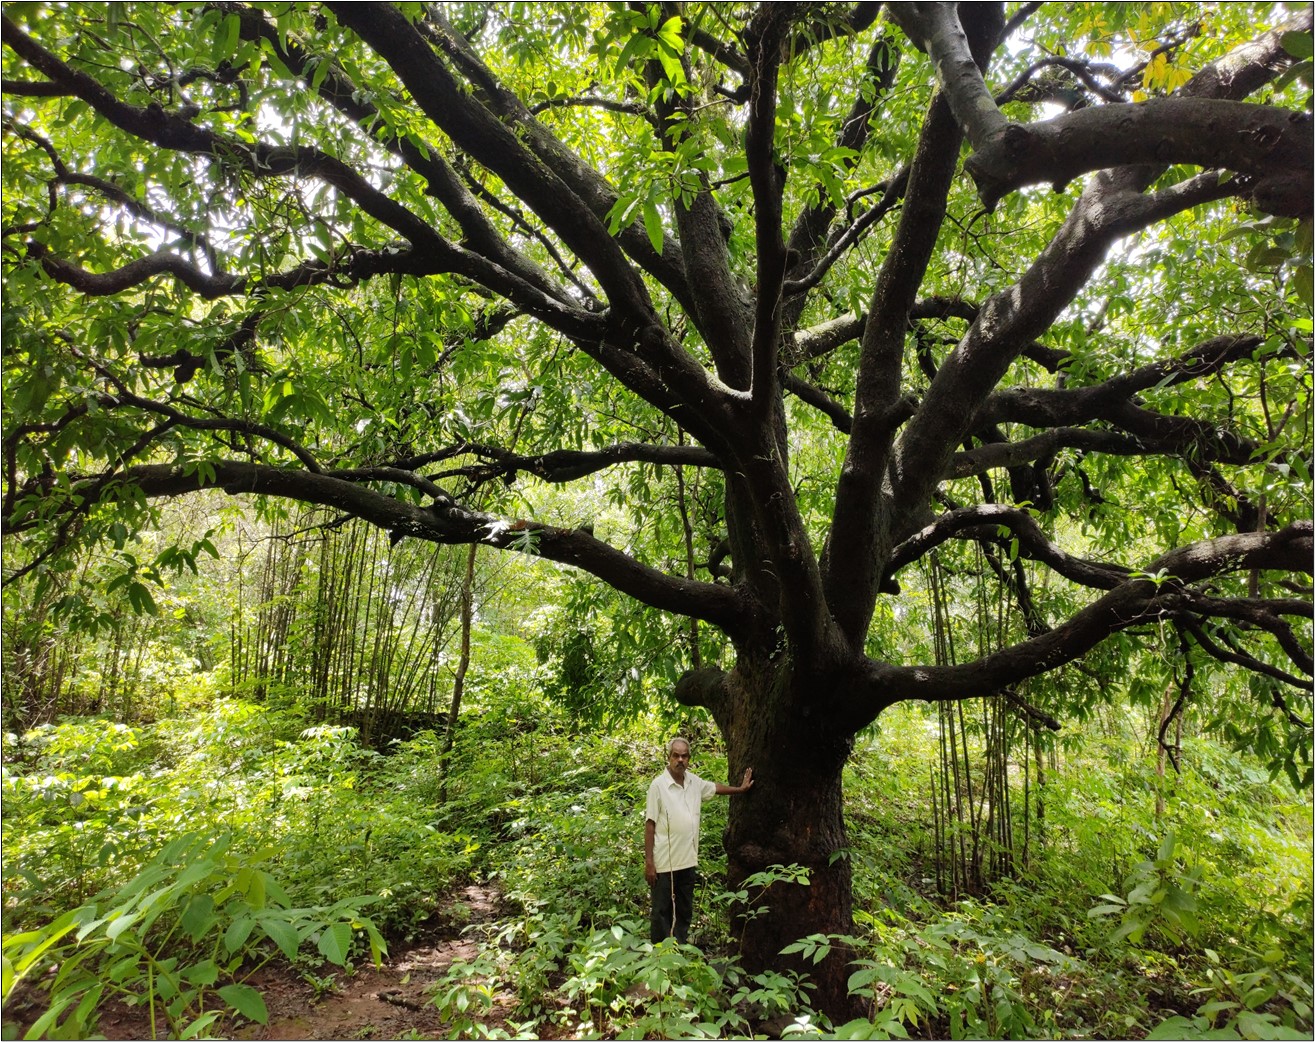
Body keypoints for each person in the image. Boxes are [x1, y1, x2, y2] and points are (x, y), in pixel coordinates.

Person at [643, 736, 753, 944]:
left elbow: (715, 788)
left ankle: (679, 949)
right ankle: (659, 955)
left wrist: (740, 789)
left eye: (684, 756)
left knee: (684, 910)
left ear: (689, 758)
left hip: (687, 861)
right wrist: (649, 862)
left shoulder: (694, 782)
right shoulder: (658, 786)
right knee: (661, 911)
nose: (680, 760)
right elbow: (650, 824)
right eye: (676, 755)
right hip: (664, 862)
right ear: (669, 757)